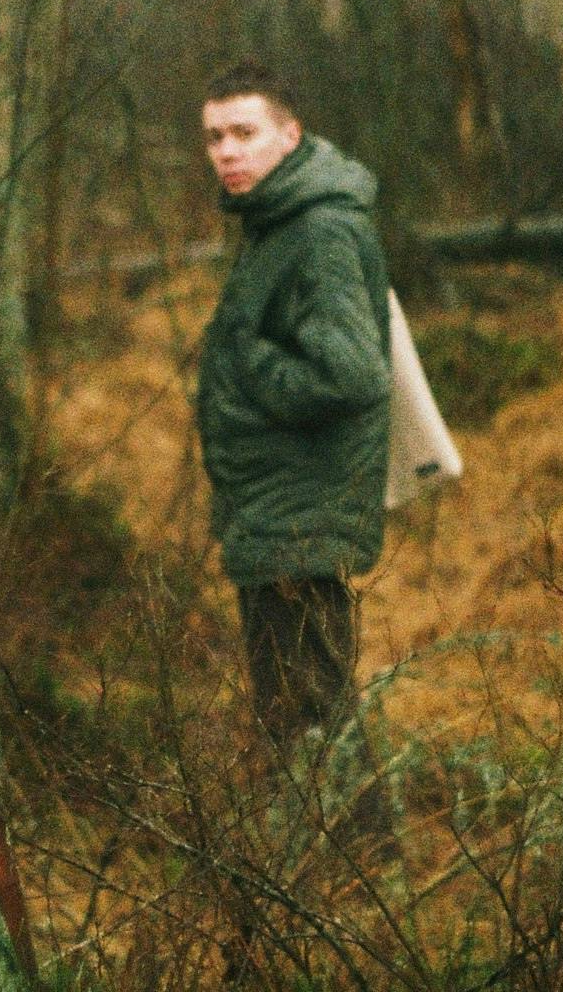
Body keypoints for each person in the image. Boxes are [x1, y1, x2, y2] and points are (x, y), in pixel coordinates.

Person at [195, 63, 393, 752]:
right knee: (301, 713)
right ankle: (337, 854)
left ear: (290, 135)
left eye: (245, 133)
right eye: (216, 137)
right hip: (278, 507)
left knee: (313, 716)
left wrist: (250, 364)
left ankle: (361, 856)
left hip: (300, 510)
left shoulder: (317, 232)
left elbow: (354, 377)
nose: (228, 152)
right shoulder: (278, 223)